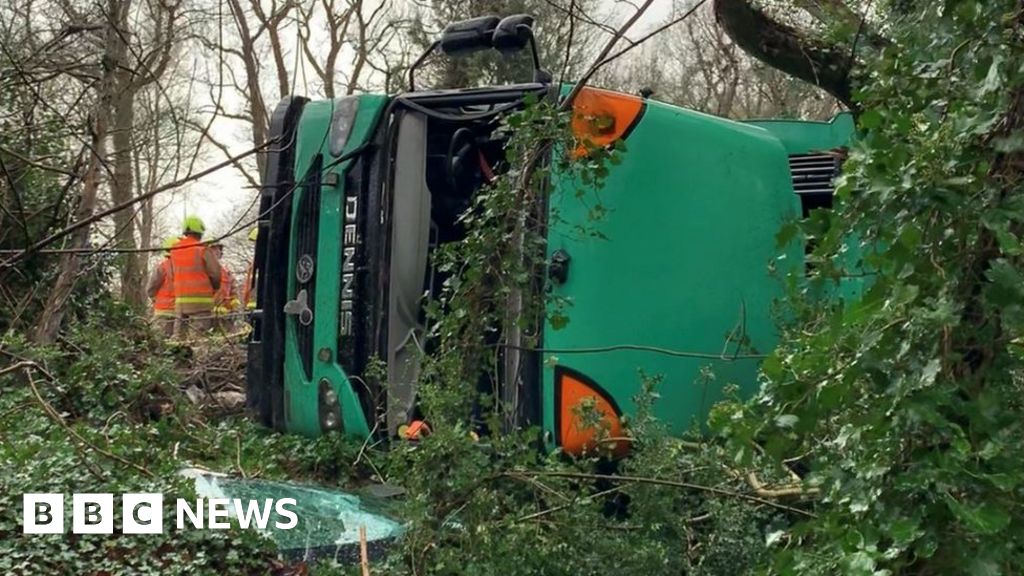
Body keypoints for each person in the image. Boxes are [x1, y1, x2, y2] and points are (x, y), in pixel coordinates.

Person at [171, 216, 221, 340]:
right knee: (199, 340)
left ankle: (176, 359)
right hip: (201, 304)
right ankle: (200, 359)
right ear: (199, 232)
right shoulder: (203, 249)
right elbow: (215, 273)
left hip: (180, 303)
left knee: (179, 339)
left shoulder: (175, 250)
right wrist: (215, 288)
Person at [146, 237, 179, 337]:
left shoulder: (162, 267)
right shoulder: (186, 267)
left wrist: (153, 298)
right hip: (180, 313)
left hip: (162, 311)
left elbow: (151, 288)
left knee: (160, 343)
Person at [210, 242, 239, 333]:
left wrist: (234, 304)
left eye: (219, 249)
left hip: (226, 314)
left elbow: (233, 289)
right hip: (209, 314)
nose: (219, 252)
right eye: (215, 249)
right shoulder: (204, 270)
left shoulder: (226, 271)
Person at [242, 227, 259, 312]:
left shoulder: (264, 265)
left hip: (260, 308)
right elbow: (246, 289)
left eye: (256, 242)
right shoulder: (252, 266)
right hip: (251, 309)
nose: (255, 246)